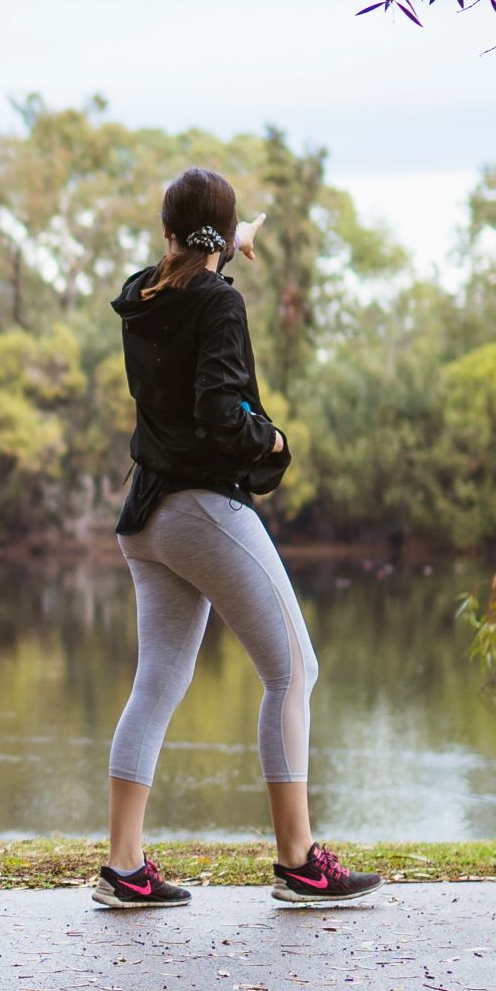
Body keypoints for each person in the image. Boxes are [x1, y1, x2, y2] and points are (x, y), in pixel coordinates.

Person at [97, 167, 380, 911]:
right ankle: (299, 861)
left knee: (156, 684)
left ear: (166, 232)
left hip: (146, 517)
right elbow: (221, 412)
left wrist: (231, 238)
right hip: (200, 509)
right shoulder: (218, 301)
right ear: (220, 238)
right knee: (294, 672)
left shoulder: (141, 296)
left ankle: (123, 867)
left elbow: (187, 267)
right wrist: (274, 441)